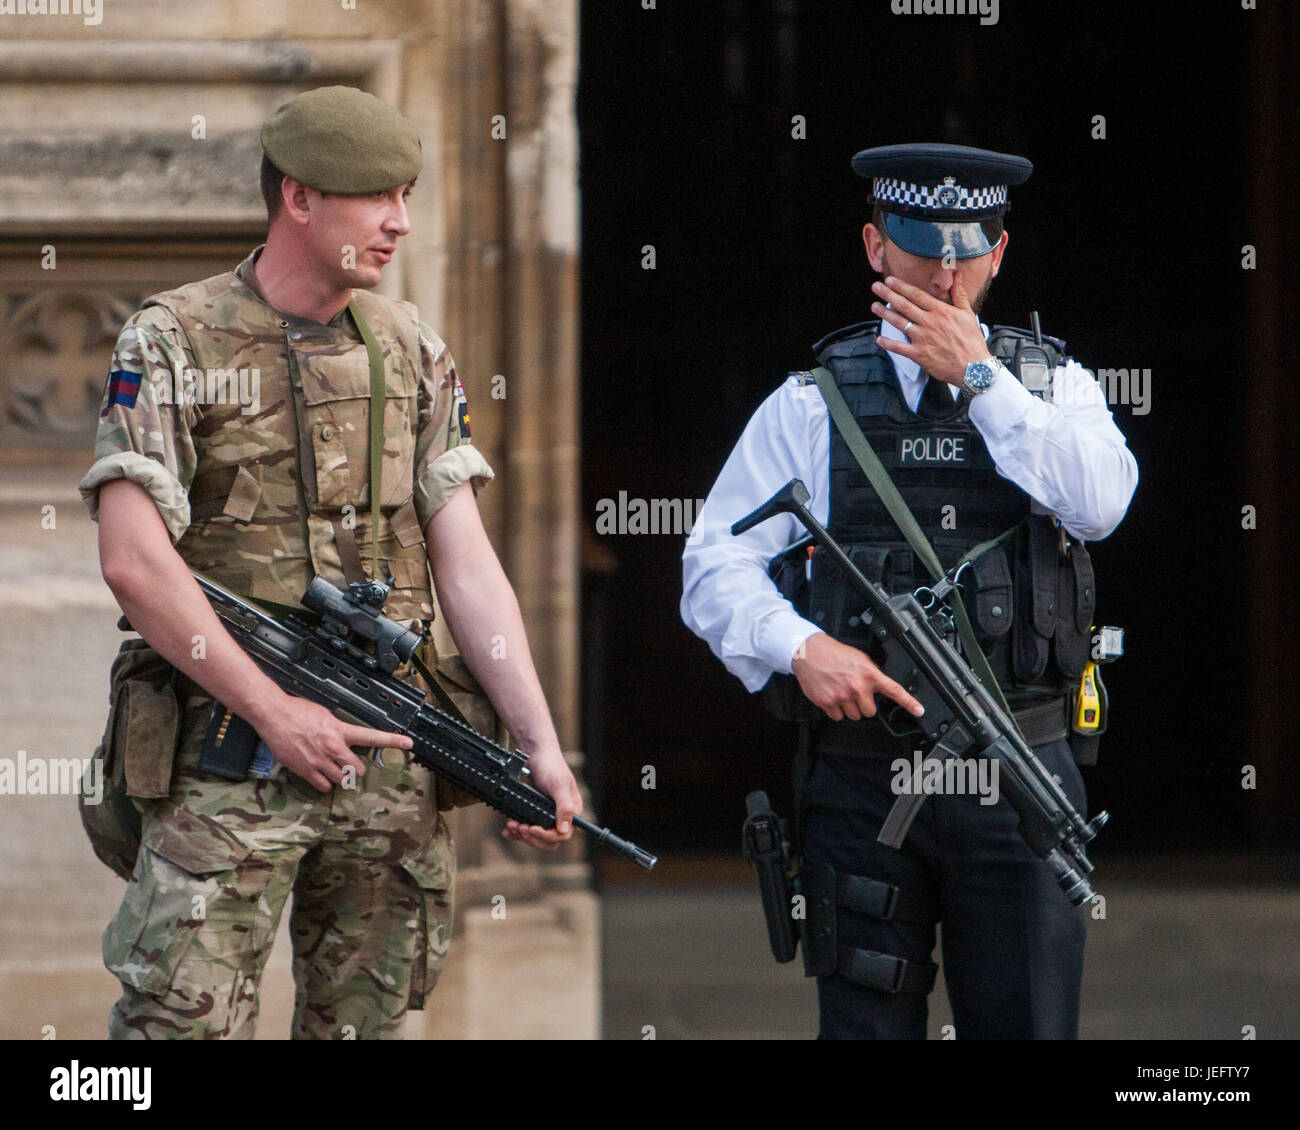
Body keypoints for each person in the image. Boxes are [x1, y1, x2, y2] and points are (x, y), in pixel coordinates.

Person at [78, 85, 582, 1040]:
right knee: (171, 1031)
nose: (399, 222)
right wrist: (276, 710)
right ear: (299, 198)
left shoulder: (412, 345)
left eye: (408, 194)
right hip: (222, 750)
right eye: (374, 196)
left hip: (389, 760)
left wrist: (537, 740)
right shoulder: (175, 337)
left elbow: (466, 562)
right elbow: (134, 561)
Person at [681, 143, 1138, 1039]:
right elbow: (713, 565)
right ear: (875, 248)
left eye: (968, 251)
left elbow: (1102, 505)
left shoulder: (1054, 389)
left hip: (1017, 774)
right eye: (922, 248)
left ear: (999, 257)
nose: (947, 274)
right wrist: (799, 646)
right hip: (864, 778)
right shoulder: (812, 403)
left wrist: (980, 380)